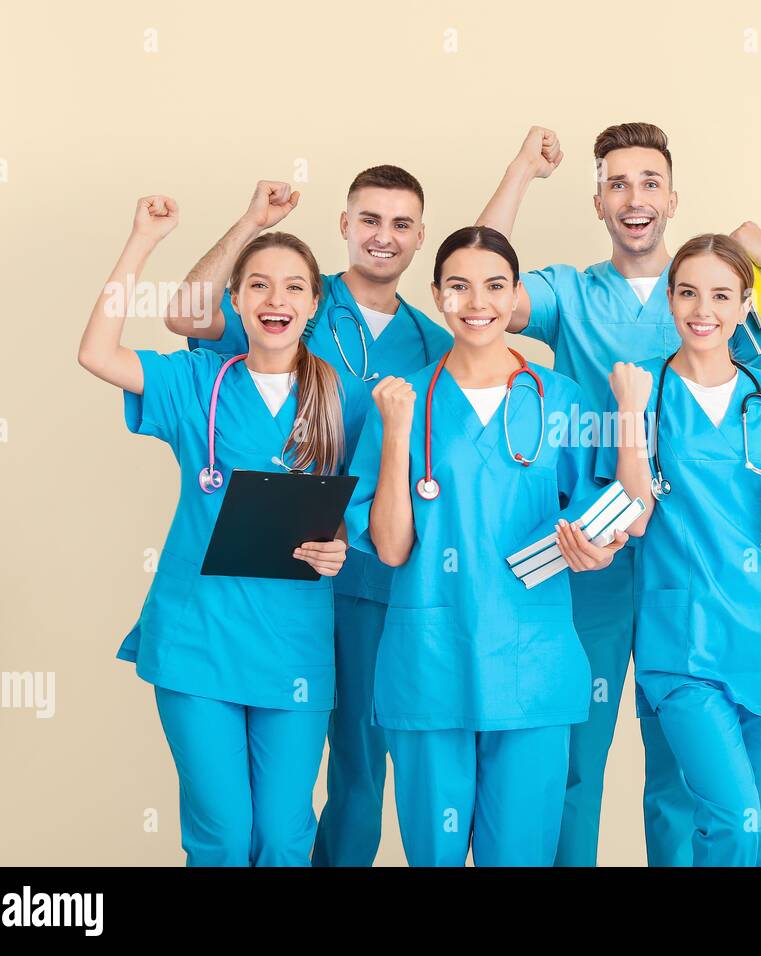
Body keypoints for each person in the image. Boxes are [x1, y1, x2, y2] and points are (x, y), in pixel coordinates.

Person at [476, 122, 761, 865]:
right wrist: (519, 172)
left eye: (648, 182)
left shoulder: (714, 289)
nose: (633, 197)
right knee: (579, 758)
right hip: (601, 552)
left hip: (698, 566)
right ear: (598, 201)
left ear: (672, 198)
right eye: (616, 183)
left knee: (686, 777)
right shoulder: (569, 292)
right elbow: (478, 282)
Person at [165, 169, 452, 866]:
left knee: (358, 768)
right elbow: (185, 316)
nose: (384, 236)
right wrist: (250, 224)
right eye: (370, 219)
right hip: (275, 586)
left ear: (419, 238)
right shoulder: (291, 294)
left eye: (402, 223)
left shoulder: (431, 344)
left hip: (371, 583)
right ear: (346, 225)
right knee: (242, 814)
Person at [78, 196, 371, 865]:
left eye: (295, 286)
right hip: (197, 642)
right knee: (223, 835)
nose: (277, 299)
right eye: (259, 285)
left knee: (284, 835)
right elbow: (97, 352)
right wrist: (141, 240)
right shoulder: (196, 382)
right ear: (234, 302)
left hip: (294, 649)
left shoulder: (346, 399)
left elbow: (375, 501)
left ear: (315, 303)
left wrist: (345, 543)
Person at [343, 225, 625, 866]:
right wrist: (394, 434)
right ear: (438, 294)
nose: (478, 302)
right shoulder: (402, 400)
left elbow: (599, 519)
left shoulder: (561, 400)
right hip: (430, 663)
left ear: (517, 293)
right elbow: (389, 547)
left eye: (496, 285)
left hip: (530, 665)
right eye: (460, 286)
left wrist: (596, 549)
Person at [601, 234, 761, 865]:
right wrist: (628, 415)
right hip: (686, 640)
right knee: (735, 820)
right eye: (689, 292)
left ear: (743, 305)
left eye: (722, 295)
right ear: (670, 300)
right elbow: (634, 514)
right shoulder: (642, 395)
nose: (704, 309)